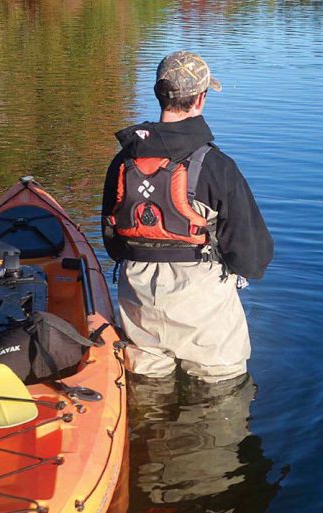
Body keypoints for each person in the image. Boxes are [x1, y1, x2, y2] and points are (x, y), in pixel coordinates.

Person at [101, 50, 273, 383]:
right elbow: (250, 252)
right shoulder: (217, 166)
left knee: (148, 390)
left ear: (158, 94)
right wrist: (247, 270)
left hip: (138, 298)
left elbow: (112, 239)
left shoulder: (123, 161)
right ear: (200, 98)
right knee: (220, 394)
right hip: (201, 302)